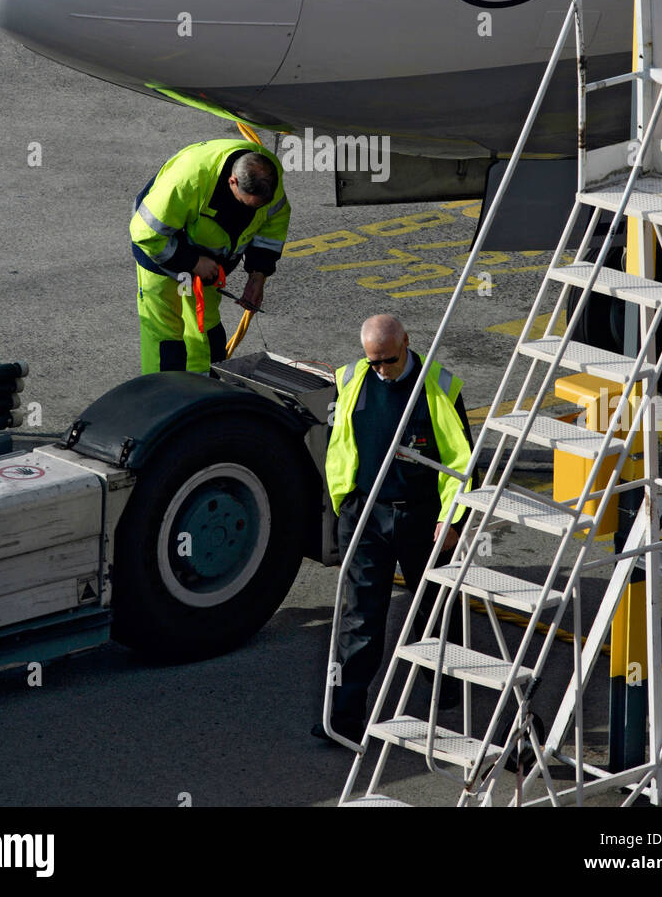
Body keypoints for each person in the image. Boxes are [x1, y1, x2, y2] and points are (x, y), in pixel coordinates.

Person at [317, 314, 473, 743]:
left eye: (388, 360)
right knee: (359, 616)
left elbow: (461, 460)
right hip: (366, 515)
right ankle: (345, 718)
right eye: (374, 361)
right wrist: (344, 504)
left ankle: (444, 687)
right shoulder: (353, 377)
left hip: (424, 518)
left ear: (407, 342)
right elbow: (341, 444)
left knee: (435, 607)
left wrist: (454, 519)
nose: (381, 369)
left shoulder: (439, 387)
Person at [130, 138, 290, 375]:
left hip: (209, 263)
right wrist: (192, 263)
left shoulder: (268, 177)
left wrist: (258, 274)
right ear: (232, 181)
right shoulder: (188, 181)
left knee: (204, 324)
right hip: (162, 253)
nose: (251, 213)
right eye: (246, 204)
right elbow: (146, 233)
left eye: (257, 207)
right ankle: (163, 395)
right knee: (165, 333)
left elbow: (272, 226)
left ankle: (205, 388)